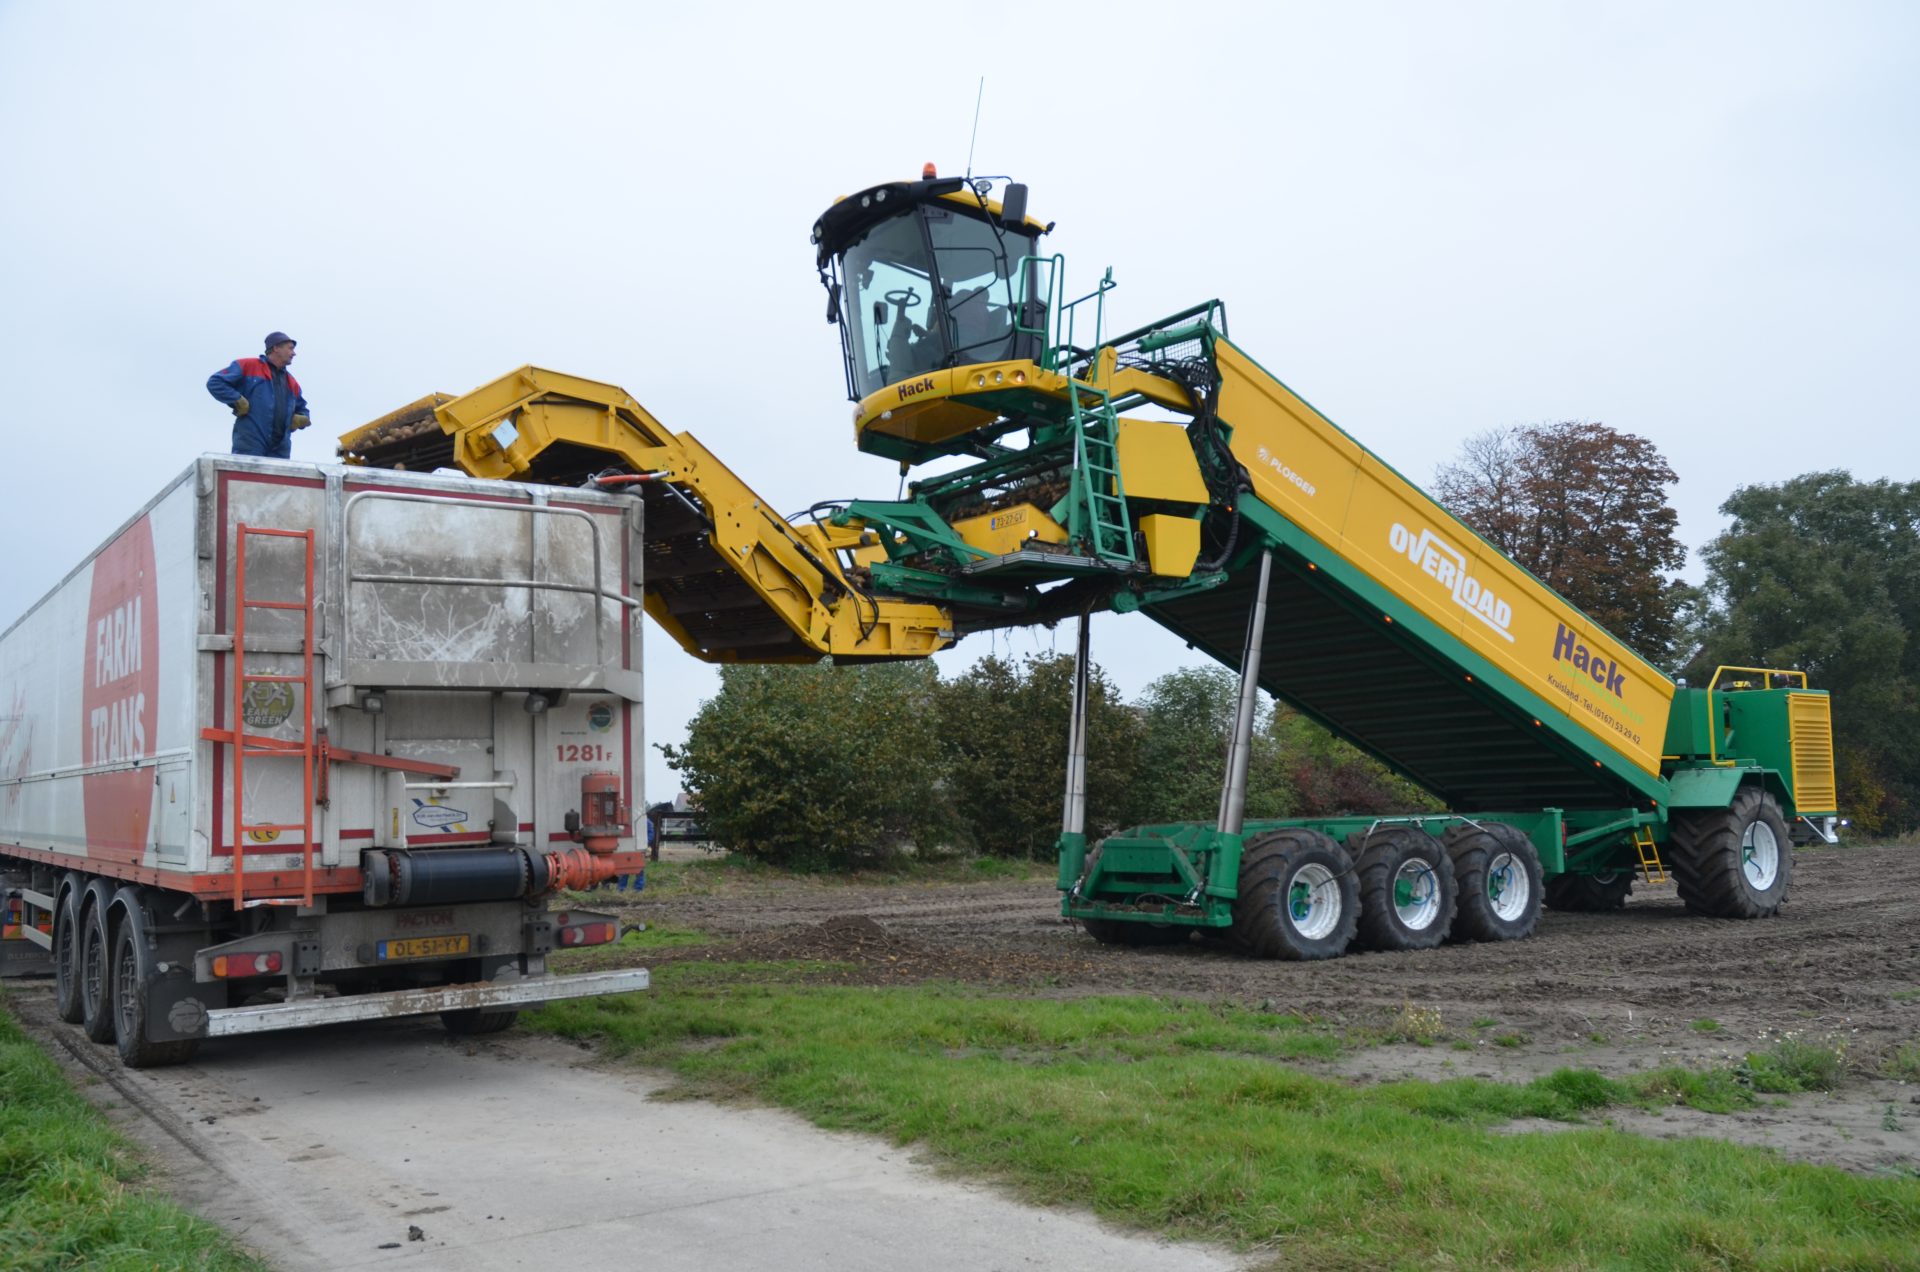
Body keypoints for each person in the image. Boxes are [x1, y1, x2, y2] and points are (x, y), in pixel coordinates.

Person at [207, 332, 311, 458]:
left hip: (280, 449)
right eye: (290, 348)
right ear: (276, 348)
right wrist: (237, 399)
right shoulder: (248, 366)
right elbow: (215, 382)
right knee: (248, 471)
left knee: (278, 472)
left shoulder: (291, 382)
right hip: (251, 443)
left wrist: (302, 418)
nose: (294, 353)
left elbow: (302, 408)